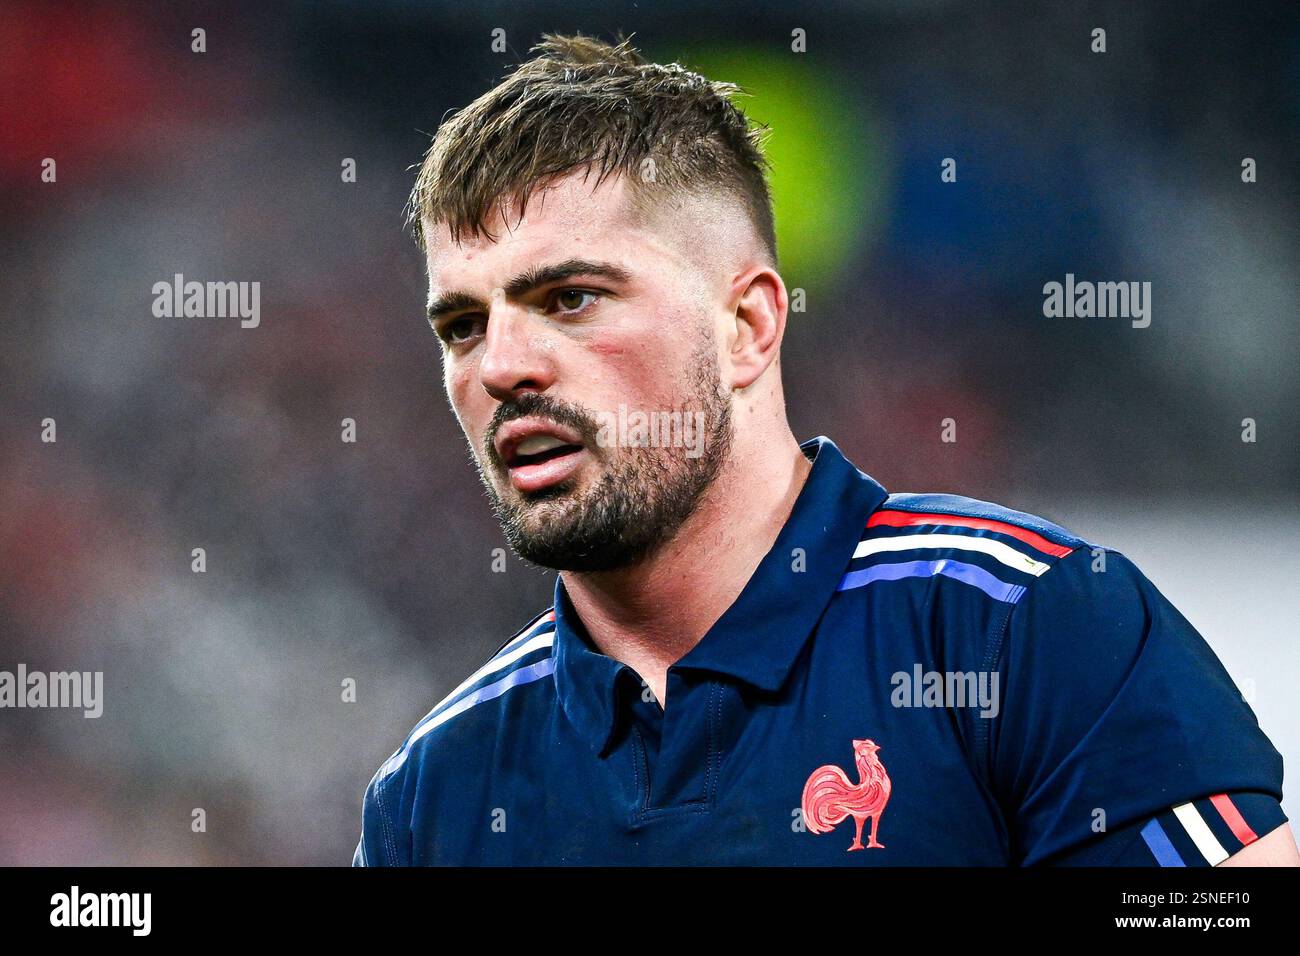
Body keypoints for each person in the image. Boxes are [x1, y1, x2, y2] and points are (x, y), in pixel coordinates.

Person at [354, 33, 1296, 866]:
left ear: (748, 326)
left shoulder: (1022, 624)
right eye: (463, 323)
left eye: (571, 299)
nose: (505, 364)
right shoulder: (435, 796)